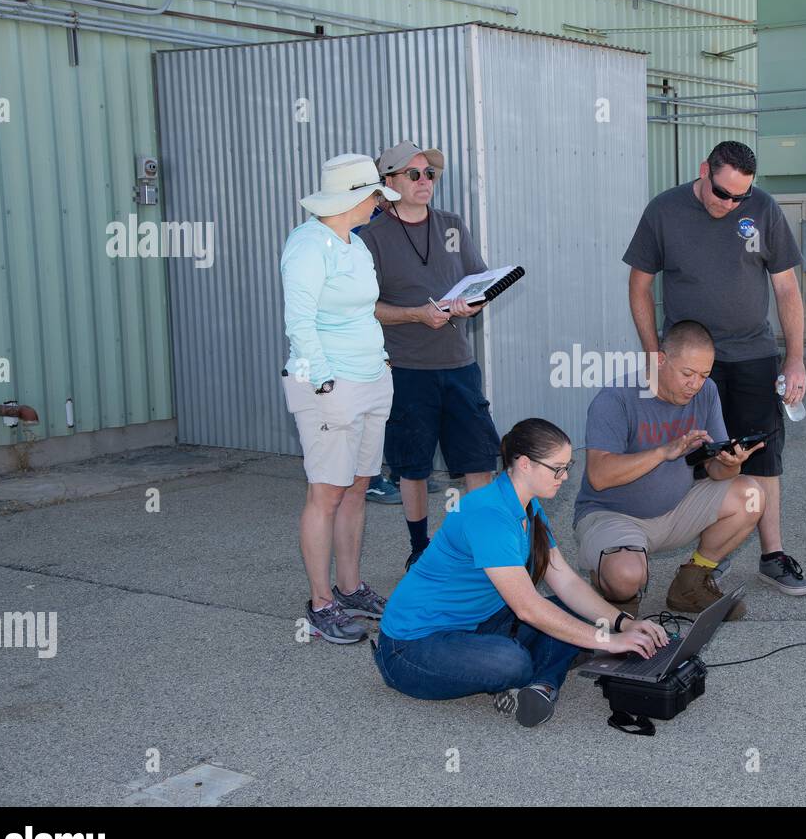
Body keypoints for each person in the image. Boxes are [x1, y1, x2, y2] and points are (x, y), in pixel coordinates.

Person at [374, 418, 670, 728]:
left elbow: (566, 580)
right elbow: (527, 608)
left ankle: (541, 687)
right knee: (511, 661)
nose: (565, 476)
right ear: (525, 464)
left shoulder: (528, 505)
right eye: (558, 468)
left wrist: (623, 623)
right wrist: (610, 641)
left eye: (567, 466)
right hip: (411, 646)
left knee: (570, 610)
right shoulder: (489, 514)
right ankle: (540, 671)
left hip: (480, 621)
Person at [625, 140, 806, 597]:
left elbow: (787, 289)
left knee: (760, 455)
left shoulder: (763, 210)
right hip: (689, 363)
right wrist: (654, 354)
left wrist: (795, 357)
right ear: (704, 169)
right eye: (722, 192)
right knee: (699, 454)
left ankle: (772, 555)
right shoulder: (663, 210)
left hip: (752, 354)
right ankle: (711, 556)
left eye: (739, 197)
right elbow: (639, 286)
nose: (729, 204)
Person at [358, 141, 501, 570]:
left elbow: (479, 281)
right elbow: (366, 307)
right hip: (406, 368)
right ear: (389, 183)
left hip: (459, 364)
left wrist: (473, 302)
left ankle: (482, 548)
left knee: (478, 460)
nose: (425, 182)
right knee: (412, 466)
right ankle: (419, 549)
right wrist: (416, 315)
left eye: (430, 174)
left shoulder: (452, 225)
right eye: (414, 174)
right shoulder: (371, 236)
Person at [280, 153, 400, 645]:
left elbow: (364, 312)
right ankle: (321, 602)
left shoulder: (355, 244)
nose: (379, 203)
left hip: (371, 377)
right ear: (355, 197)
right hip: (329, 385)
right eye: (375, 195)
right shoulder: (307, 246)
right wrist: (325, 381)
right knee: (326, 492)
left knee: (356, 486)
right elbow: (299, 321)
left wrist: (382, 361)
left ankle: (350, 588)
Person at [574, 321, 769, 620]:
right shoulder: (616, 398)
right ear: (661, 360)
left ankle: (690, 585)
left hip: (674, 511)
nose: (696, 384)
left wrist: (731, 464)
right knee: (626, 576)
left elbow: (715, 470)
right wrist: (663, 451)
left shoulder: (706, 393)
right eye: (688, 374)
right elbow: (599, 477)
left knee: (752, 495)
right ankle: (614, 606)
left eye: (704, 375)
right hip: (613, 515)